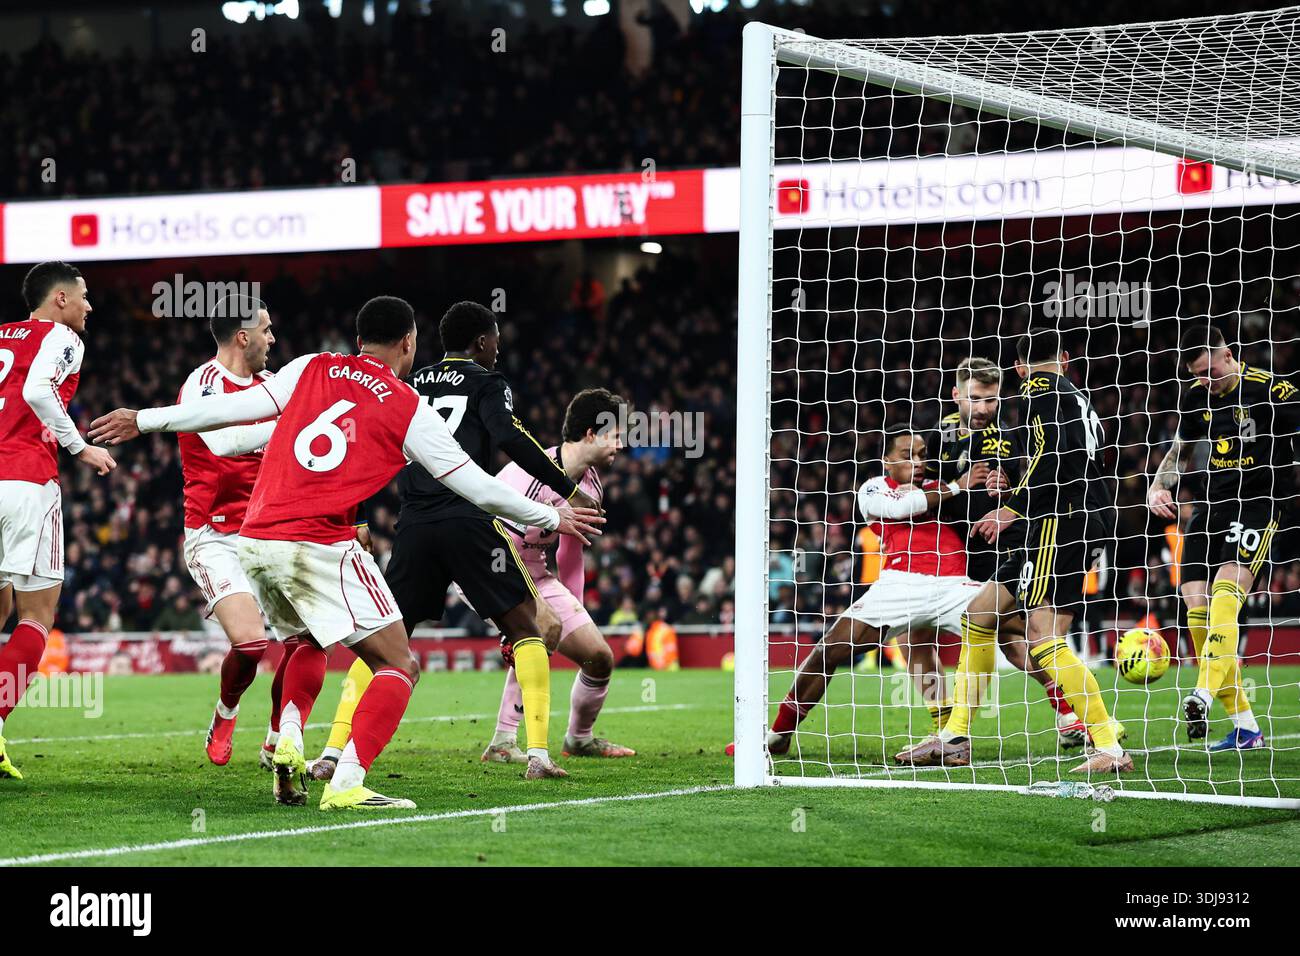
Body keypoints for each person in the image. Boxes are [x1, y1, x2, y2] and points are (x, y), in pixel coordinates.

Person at [89, 296, 603, 809]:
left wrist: (145, 418)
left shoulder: (312, 365)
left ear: (358, 341)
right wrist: (551, 516)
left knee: (307, 643)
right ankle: (347, 781)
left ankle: (288, 739)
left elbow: (231, 410)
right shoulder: (406, 405)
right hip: (317, 540)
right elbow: (478, 487)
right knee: (399, 664)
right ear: (409, 343)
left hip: (254, 538)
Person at [1147, 325, 1299, 750]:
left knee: (1225, 595)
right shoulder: (1197, 397)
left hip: (1259, 505)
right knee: (1194, 601)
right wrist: (1158, 486)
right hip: (1212, 506)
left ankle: (1203, 692)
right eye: (1198, 375)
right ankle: (1246, 727)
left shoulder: (1273, 390)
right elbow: (1178, 453)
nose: (1205, 381)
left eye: (1210, 372)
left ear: (1229, 355)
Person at [0, 261, 116, 780]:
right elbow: (36, 392)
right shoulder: (63, 337)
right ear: (61, 299)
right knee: (36, 617)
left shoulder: (3, 336)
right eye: (85, 296)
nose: (91, 306)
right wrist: (80, 447)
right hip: (26, 481)